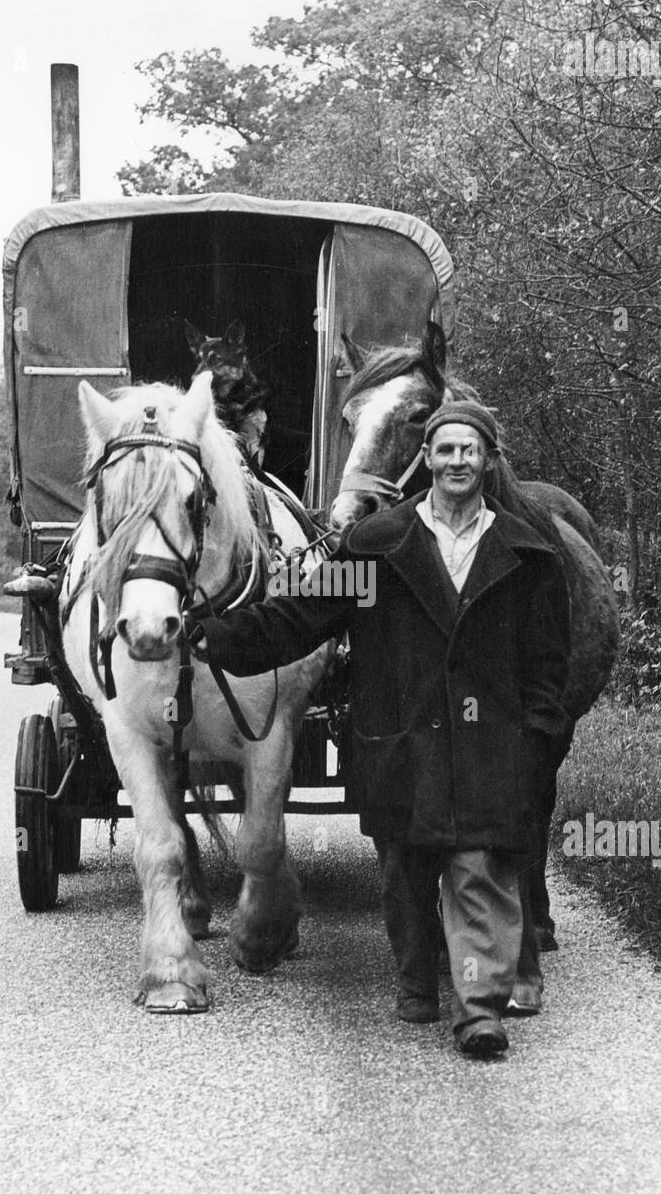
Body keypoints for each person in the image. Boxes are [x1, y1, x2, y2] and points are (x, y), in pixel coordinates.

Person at [192, 400, 571, 1060]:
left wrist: (535, 738)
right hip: (398, 740)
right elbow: (298, 619)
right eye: (444, 450)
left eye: (469, 450)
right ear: (424, 459)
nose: (456, 461)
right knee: (404, 872)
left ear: (488, 460)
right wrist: (217, 637)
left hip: (487, 748)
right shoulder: (372, 546)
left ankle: (478, 1008)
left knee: (476, 868)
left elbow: (546, 664)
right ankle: (417, 981)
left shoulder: (528, 552)